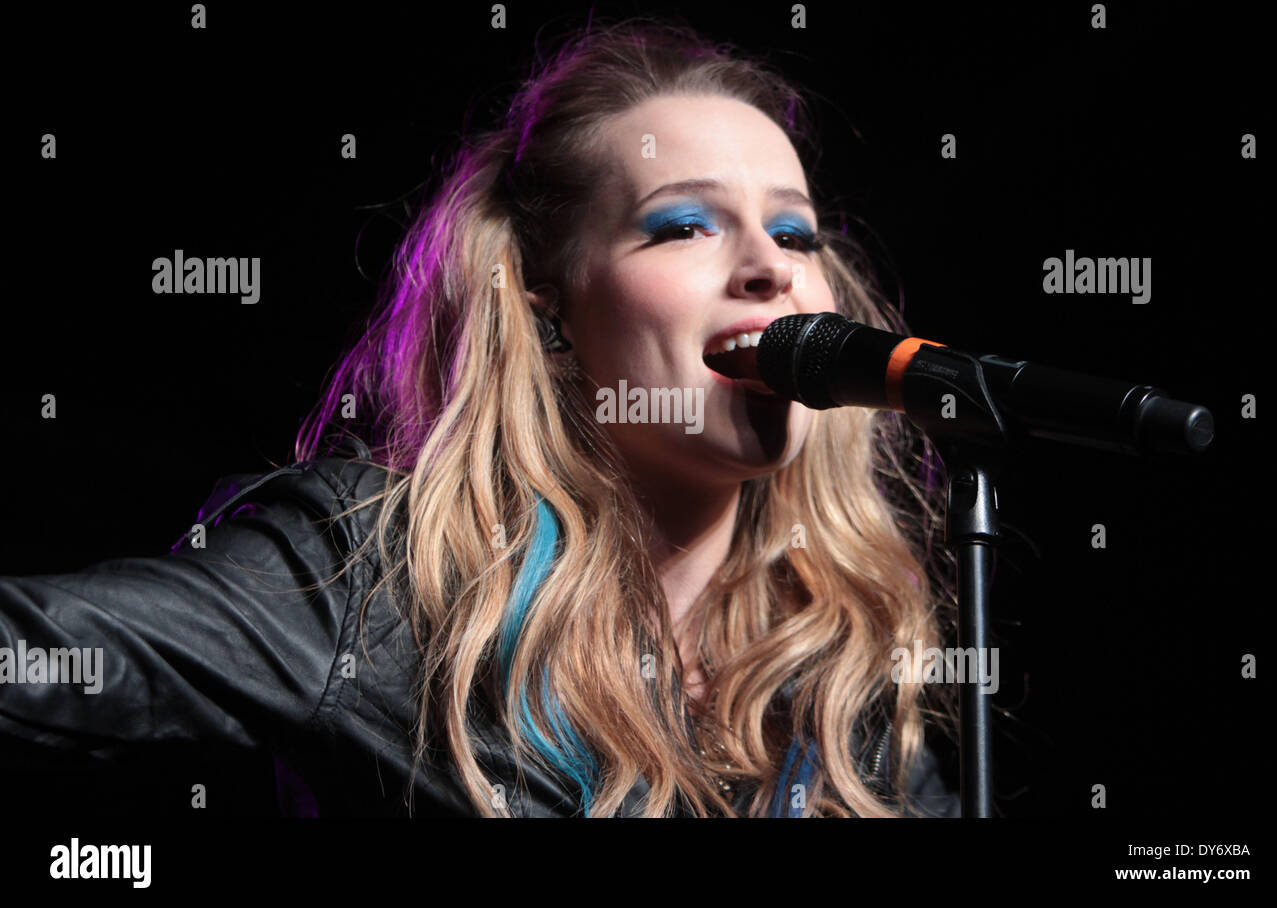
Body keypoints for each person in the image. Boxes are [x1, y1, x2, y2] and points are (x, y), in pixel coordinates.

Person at [0, 18, 961, 818]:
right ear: (549, 304)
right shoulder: (384, 591)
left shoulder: (846, 689)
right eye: (684, 226)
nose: (772, 266)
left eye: (794, 232)